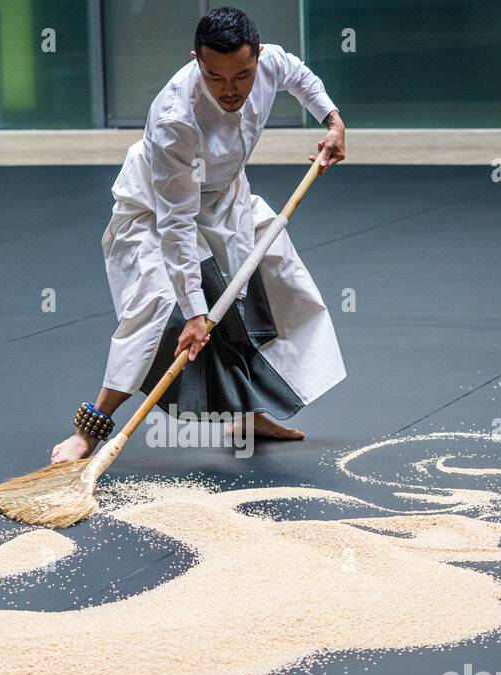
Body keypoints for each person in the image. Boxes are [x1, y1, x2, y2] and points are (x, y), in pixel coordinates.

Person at [51, 6, 347, 464]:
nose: (231, 90)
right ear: (196, 60)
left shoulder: (270, 63)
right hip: (154, 208)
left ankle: (245, 413)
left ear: (258, 57)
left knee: (266, 284)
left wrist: (332, 120)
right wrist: (192, 311)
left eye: (242, 76)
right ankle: (86, 433)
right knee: (154, 305)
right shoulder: (175, 119)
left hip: (225, 194)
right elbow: (176, 225)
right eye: (216, 77)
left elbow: (299, 76)